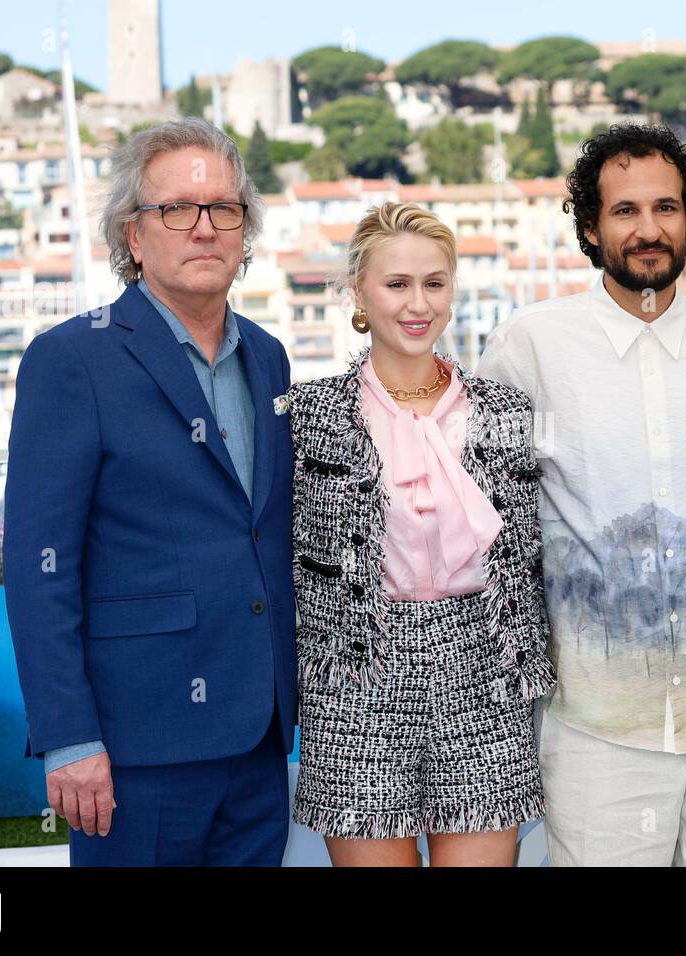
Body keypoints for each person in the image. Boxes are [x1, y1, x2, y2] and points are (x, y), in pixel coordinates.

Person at [476, 124, 686, 866]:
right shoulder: (528, 345)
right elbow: (486, 522)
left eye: (666, 207)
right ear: (591, 229)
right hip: (598, 725)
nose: (648, 228)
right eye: (624, 211)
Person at [4, 118, 297, 866]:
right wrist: (69, 736)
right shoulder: (71, 359)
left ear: (244, 230)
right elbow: (40, 565)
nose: (204, 228)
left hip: (260, 737)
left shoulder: (267, 358)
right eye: (177, 210)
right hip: (136, 745)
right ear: (134, 236)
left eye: (224, 210)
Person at [286, 201, 554, 867]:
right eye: (396, 283)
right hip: (356, 676)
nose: (417, 303)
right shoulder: (311, 413)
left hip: (485, 669)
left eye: (434, 283)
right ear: (358, 293)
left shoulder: (503, 411)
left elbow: (538, 549)